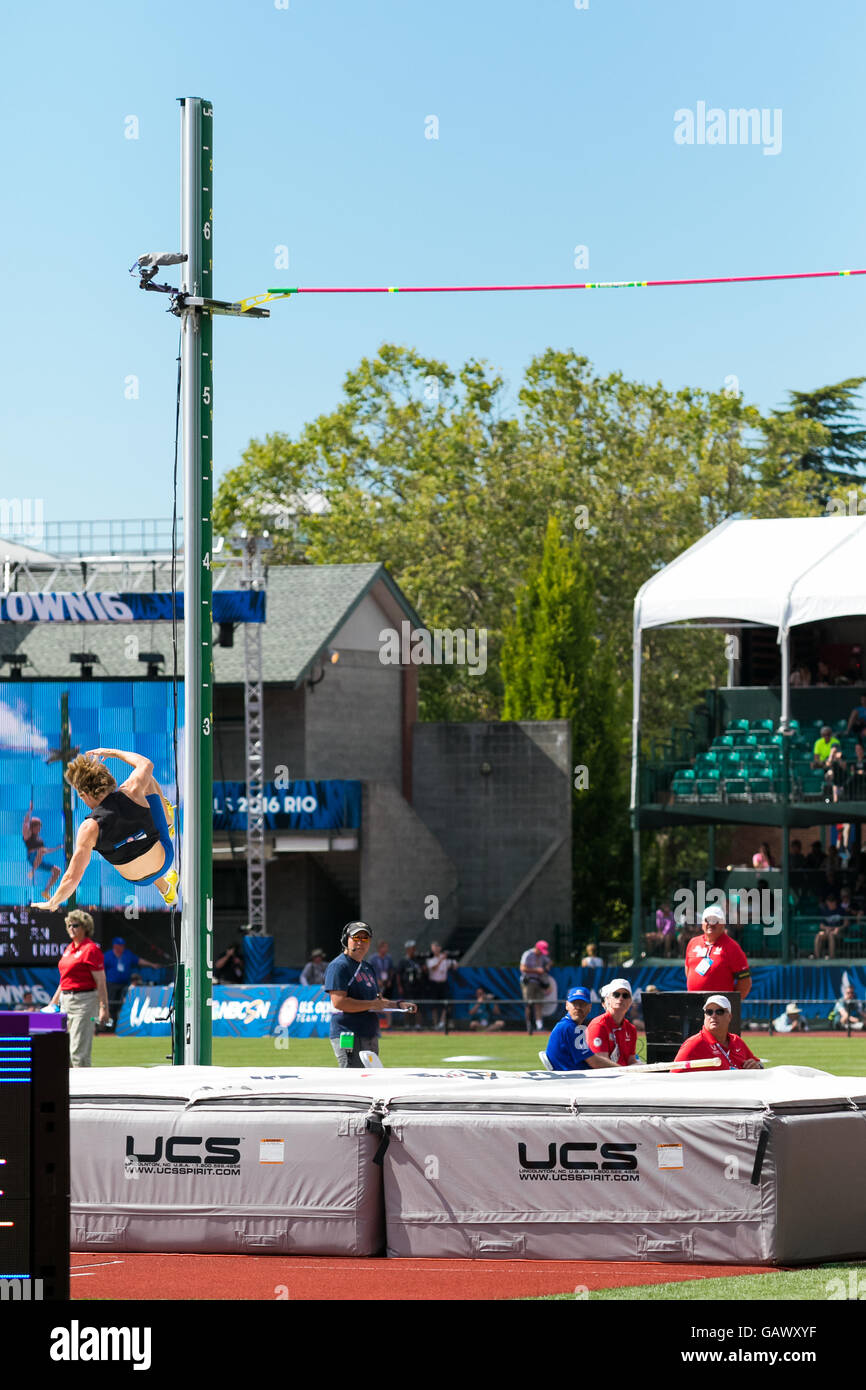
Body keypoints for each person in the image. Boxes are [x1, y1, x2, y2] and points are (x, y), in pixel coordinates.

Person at [31, 749, 178, 911]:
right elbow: (146, 764)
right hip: (164, 859)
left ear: (84, 795)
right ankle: (169, 824)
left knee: (133, 848)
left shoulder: (89, 828)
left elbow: (72, 877)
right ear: (108, 780)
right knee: (147, 780)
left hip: (138, 879)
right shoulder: (131, 790)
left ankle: (166, 890)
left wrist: (53, 902)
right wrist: (112, 753)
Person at [324, 921, 416, 1067]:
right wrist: (373, 1004)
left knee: (371, 1081)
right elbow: (339, 1002)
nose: (360, 942)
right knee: (353, 1081)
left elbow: (376, 999)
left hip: (369, 1033)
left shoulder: (367, 967)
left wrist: (398, 1004)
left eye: (364, 938)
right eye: (356, 938)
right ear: (345, 939)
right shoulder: (339, 966)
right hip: (348, 1033)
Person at [46, 909, 109, 1067]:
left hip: (84, 1002)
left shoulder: (91, 949)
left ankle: (83, 1090)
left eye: (75, 925)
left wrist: (103, 1008)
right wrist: (53, 1003)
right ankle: (63, 1090)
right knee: (62, 1051)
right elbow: (64, 979)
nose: (71, 928)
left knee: (78, 1053)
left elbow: (100, 981)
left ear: (85, 927)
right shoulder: (69, 949)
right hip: (65, 1002)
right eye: (68, 925)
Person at [673, 994, 762, 1071]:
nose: (713, 1015)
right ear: (705, 1016)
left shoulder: (736, 1040)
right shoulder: (694, 1044)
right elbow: (674, 1076)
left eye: (719, 1011)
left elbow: (760, 1066)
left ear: (729, 1017)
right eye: (709, 1012)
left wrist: (757, 1066)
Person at [545, 986, 622, 1071]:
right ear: (567, 1005)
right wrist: (622, 1069)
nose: (578, 1007)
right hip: (575, 1078)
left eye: (582, 1003)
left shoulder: (567, 1025)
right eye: (574, 1003)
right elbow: (594, 1062)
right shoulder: (570, 1027)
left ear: (590, 1007)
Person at [685, 905, 752, 999]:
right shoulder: (693, 943)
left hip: (718, 1011)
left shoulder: (732, 947)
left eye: (715, 920)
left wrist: (730, 1004)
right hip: (693, 1004)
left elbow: (745, 982)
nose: (710, 923)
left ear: (723, 923)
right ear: (702, 923)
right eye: (707, 920)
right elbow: (688, 971)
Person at [103, 935, 159, 1024]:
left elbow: (139, 961)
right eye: (119, 945)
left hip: (125, 984)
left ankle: (123, 1024)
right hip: (111, 984)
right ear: (115, 946)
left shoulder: (127, 954)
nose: (121, 947)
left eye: (122, 945)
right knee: (111, 1005)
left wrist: (152, 964)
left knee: (125, 1003)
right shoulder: (107, 955)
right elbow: (101, 969)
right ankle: (108, 1025)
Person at [585, 978, 641, 1065]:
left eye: (625, 995)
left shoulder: (631, 1029)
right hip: (605, 1078)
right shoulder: (599, 1025)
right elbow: (600, 1063)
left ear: (630, 1002)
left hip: (626, 1076)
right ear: (607, 999)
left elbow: (631, 1061)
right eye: (616, 994)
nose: (621, 998)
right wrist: (625, 1071)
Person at [22, 801, 62, 899]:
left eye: (40, 828)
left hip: (39, 860)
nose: (39, 830)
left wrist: (57, 848)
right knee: (40, 851)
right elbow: (26, 823)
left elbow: (45, 851)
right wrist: (30, 811)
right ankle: (32, 871)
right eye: (37, 828)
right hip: (32, 858)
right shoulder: (28, 835)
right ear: (33, 827)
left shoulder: (40, 840)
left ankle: (45, 891)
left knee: (57, 870)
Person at [519, 938, 552, 1035]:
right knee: (529, 1003)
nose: (541, 953)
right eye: (541, 951)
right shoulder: (528, 954)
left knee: (539, 1004)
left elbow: (549, 961)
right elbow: (522, 968)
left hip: (539, 982)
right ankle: (529, 1025)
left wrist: (547, 967)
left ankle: (539, 1026)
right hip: (528, 981)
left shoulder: (542, 956)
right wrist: (537, 970)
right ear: (536, 948)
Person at [426, 941, 457, 1030]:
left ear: (440, 948)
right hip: (433, 984)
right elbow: (433, 967)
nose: (435, 950)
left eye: (436, 948)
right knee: (434, 1006)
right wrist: (441, 959)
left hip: (443, 984)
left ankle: (442, 1022)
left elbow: (455, 965)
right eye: (433, 948)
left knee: (446, 1003)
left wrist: (450, 959)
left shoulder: (445, 959)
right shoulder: (430, 958)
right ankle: (435, 1024)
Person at [812, 725, 845, 802]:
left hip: (834, 764)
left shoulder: (835, 742)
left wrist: (831, 760)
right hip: (822, 765)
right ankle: (830, 796)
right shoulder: (818, 743)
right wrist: (825, 763)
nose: (826, 736)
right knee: (829, 774)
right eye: (824, 735)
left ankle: (834, 797)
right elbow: (816, 758)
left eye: (828, 734)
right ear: (821, 735)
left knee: (833, 773)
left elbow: (838, 755)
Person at [396, 941, 424, 1029]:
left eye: (414, 948)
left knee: (418, 1005)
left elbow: (423, 971)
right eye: (412, 948)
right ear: (408, 949)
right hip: (406, 987)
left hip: (417, 987)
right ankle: (407, 1024)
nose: (414, 950)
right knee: (406, 1006)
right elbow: (398, 974)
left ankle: (418, 1024)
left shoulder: (418, 960)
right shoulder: (403, 961)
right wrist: (400, 986)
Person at [814, 893, 845, 960]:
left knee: (831, 935)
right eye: (829, 902)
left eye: (832, 902)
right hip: (827, 931)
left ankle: (831, 956)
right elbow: (821, 925)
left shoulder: (841, 910)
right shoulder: (825, 911)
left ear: (835, 902)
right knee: (818, 935)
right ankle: (816, 956)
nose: (830, 904)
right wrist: (826, 928)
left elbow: (846, 923)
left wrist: (839, 928)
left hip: (838, 932)